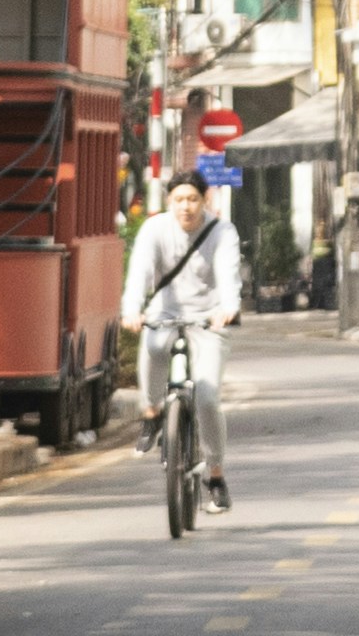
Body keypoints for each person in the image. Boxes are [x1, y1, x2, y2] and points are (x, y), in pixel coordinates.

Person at [119, 166, 240, 510]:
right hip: (164, 313)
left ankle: (215, 475)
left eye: (193, 199)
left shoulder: (222, 231)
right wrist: (132, 309)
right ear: (169, 201)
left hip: (210, 318)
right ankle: (151, 412)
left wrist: (228, 308)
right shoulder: (154, 229)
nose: (186, 207)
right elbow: (139, 273)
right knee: (155, 345)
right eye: (179, 200)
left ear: (206, 200)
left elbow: (229, 276)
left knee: (207, 397)